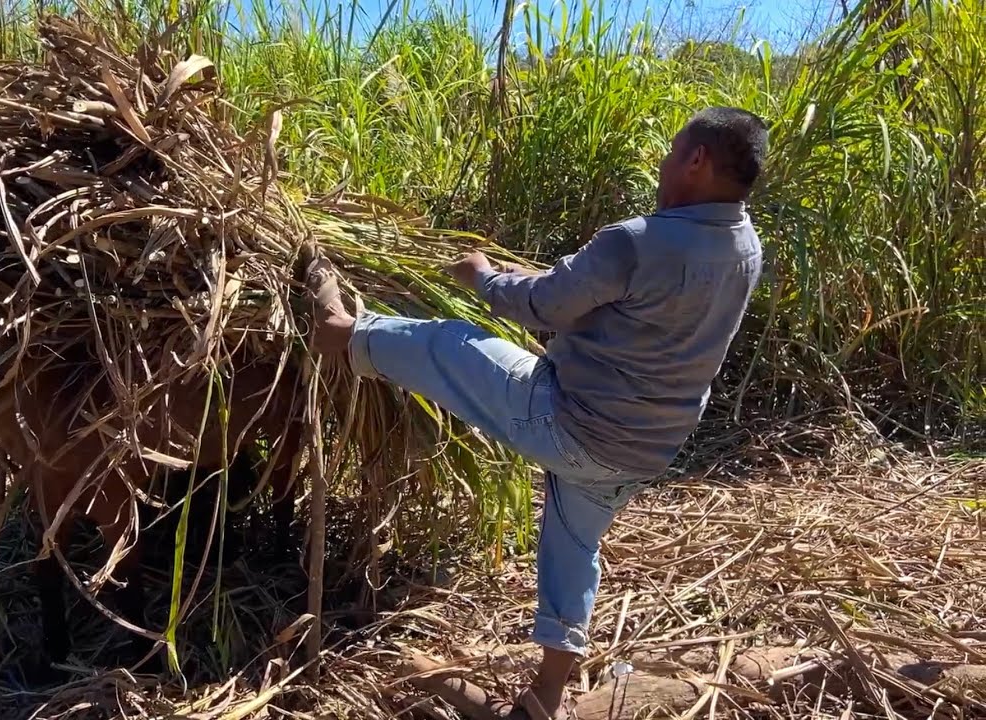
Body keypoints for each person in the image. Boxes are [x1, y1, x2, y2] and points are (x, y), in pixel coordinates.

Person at [295, 106, 769, 719]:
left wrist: (485, 277)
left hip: (570, 424)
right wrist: (538, 281)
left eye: (672, 148)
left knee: (449, 343)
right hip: (646, 447)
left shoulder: (638, 241)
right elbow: (618, 304)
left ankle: (341, 332)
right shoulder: (744, 244)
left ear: (696, 160)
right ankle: (546, 694)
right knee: (573, 546)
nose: (663, 160)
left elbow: (544, 308)